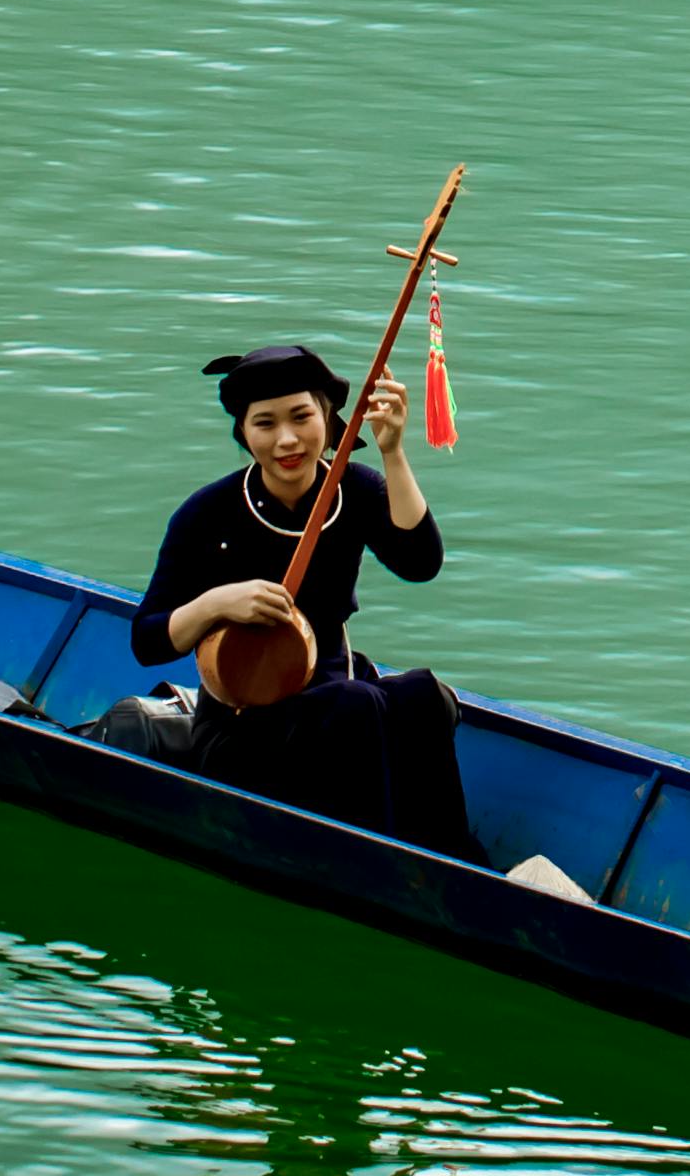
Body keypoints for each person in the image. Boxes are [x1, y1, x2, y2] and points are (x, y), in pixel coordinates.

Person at [132, 343, 496, 864]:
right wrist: (217, 603)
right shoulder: (207, 512)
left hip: (335, 691)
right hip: (242, 726)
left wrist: (393, 451)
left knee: (423, 695)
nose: (286, 439)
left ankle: (452, 856)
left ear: (327, 419)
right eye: (264, 424)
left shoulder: (356, 489)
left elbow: (421, 563)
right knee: (357, 705)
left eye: (302, 417)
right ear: (244, 433)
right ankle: (374, 861)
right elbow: (146, 638)